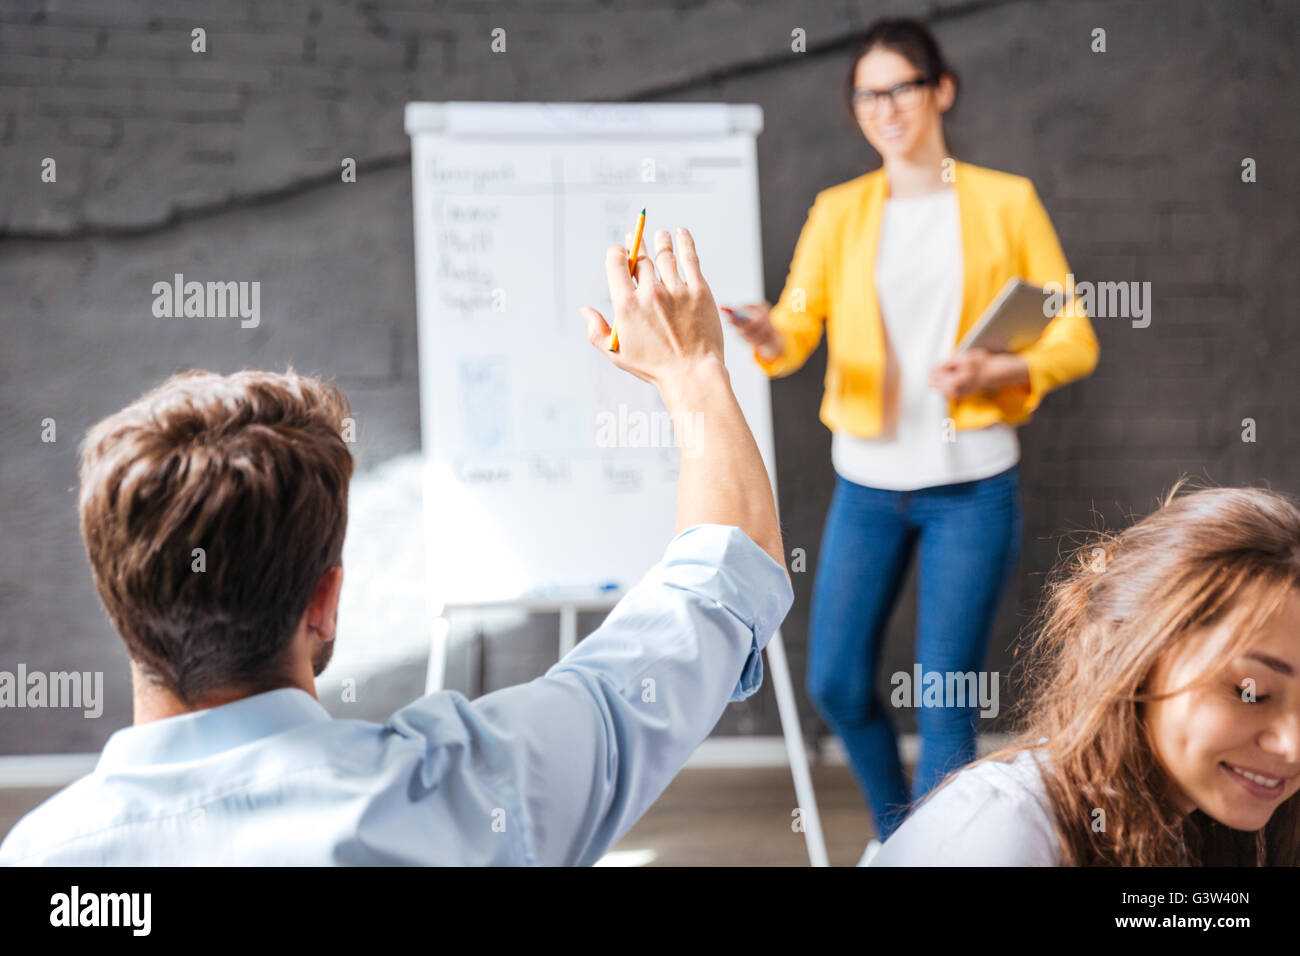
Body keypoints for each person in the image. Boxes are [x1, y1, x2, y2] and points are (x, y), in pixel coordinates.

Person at [0, 228, 793, 866]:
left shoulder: (42, 858)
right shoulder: (470, 795)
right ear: (325, 600)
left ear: (118, 600)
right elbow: (725, 583)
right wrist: (692, 372)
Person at [723, 18, 1099, 852]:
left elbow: (1075, 334)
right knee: (837, 681)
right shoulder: (839, 211)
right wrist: (762, 333)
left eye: (901, 87)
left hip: (972, 485)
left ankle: (940, 858)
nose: (884, 107)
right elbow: (793, 336)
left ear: (941, 91)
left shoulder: (1006, 200)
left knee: (945, 699)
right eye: (867, 93)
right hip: (868, 483)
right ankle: (904, 840)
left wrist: (998, 373)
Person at [869, 480, 1300, 866]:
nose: (1293, 746)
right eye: (1253, 693)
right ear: (1139, 655)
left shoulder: (1189, 830)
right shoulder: (1003, 831)